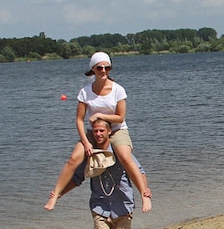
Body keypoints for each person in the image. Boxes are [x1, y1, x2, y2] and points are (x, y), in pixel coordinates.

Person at [45, 51, 152, 213]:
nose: (103, 71)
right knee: (74, 158)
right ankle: (55, 195)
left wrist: (101, 115)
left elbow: (121, 117)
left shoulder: (118, 90)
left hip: (116, 130)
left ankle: (144, 195)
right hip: (93, 132)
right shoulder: (85, 92)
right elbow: (79, 120)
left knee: (124, 156)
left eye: (107, 68)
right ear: (93, 69)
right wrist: (86, 142)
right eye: (100, 68)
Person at [60, 118, 139, 229]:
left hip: (122, 205)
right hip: (99, 206)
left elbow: (138, 171)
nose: (98, 134)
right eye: (95, 131)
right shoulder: (90, 154)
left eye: (101, 130)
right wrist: (59, 193)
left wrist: (145, 193)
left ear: (109, 131)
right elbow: (77, 178)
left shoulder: (120, 152)